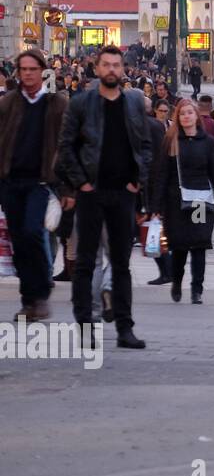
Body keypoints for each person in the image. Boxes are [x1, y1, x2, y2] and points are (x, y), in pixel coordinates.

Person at [57, 45, 153, 349]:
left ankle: (125, 327)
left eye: (116, 65)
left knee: (122, 263)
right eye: (106, 65)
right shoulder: (82, 104)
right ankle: (86, 325)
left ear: (122, 69)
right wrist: (81, 183)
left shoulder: (133, 104)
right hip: (91, 192)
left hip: (123, 193)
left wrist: (137, 181)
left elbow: (146, 147)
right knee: (85, 262)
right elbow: (66, 146)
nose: (112, 69)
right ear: (97, 69)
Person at [0, 49, 71, 321]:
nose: (27, 74)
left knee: (33, 233)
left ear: (43, 71)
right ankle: (28, 300)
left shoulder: (57, 104)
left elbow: (68, 147)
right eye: (23, 69)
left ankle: (41, 293)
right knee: (19, 241)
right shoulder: (9, 103)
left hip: (41, 182)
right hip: (11, 182)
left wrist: (68, 188)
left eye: (32, 69)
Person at [148, 98, 214, 304]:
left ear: (196, 116)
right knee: (180, 246)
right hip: (176, 202)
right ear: (178, 117)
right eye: (182, 113)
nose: (186, 116)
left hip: (199, 200)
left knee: (199, 244)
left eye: (190, 113)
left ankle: (196, 289)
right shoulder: (171, 140)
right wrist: (155, 206)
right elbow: (161, 174)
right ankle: (176, 282)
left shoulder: (207, 142)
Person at [142, 98, 173, 286]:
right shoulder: (156, 126)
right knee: (153, 231)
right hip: (153, 185)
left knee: (153, 231)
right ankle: (166, 271)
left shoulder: (148, 126)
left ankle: (167, 270)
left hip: (150, 186)